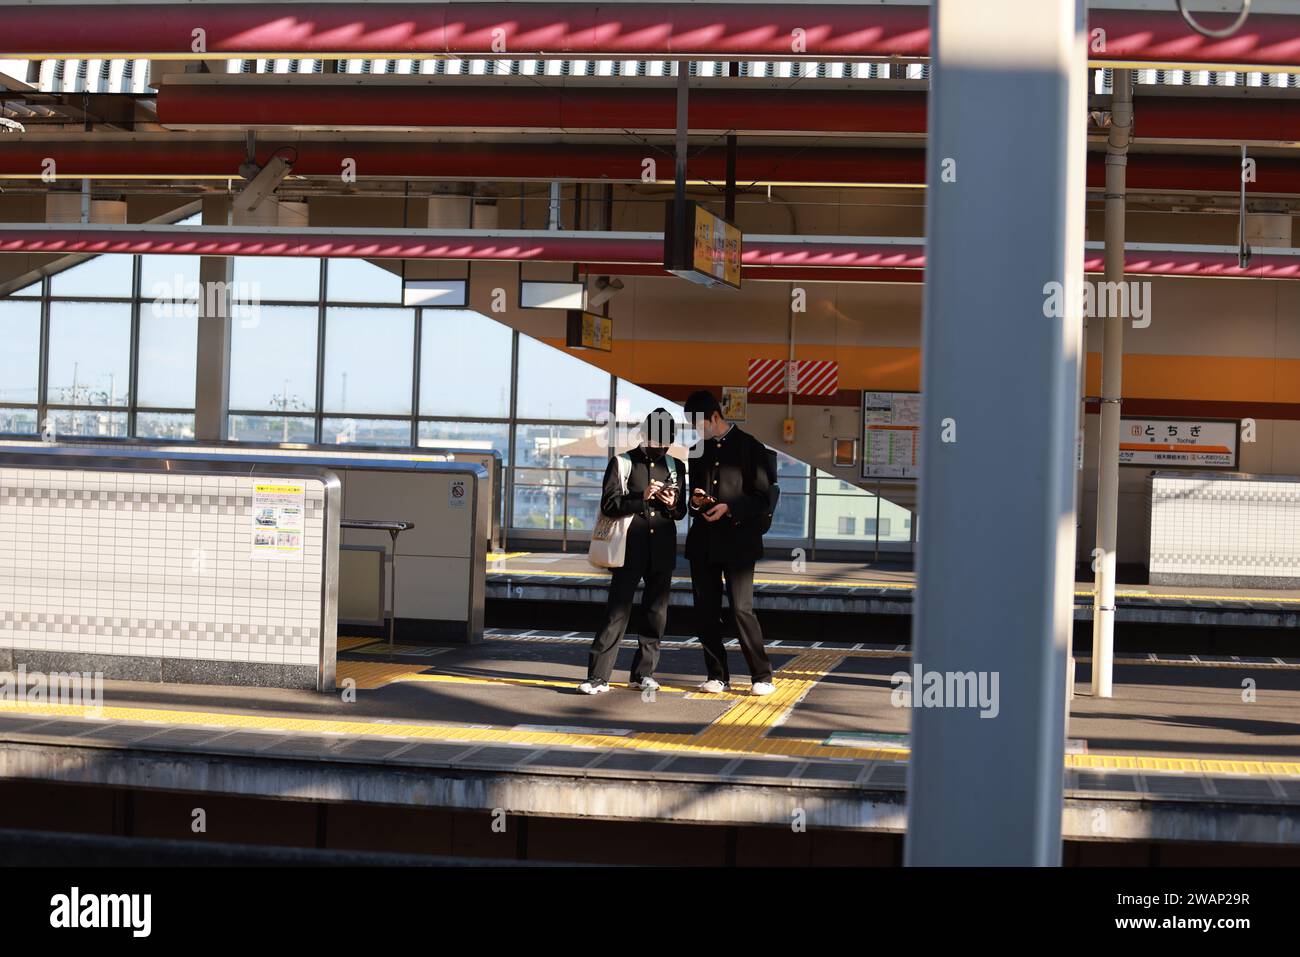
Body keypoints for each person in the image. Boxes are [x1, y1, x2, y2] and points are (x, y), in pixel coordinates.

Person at [579, 408, 688, 694]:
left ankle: (643, 673)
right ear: (644, 436)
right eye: (656, 441)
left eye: (666, 442)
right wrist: (643, 498)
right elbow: (609, 505)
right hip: (628, 548)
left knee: (656, 613)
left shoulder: (676, 466)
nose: (660, 448)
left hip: (662, 548)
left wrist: (670, 502)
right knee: (617, 611)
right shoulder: (622, 463)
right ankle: (598, 676)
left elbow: (680, 512)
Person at [683, 389, 776, 696]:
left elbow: (763, 498)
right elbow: (691, 498)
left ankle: (761, 676)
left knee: (741, 609)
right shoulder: (697, 451)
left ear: (714, 417)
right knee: (705, 609)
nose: (697, 431)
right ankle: (717, 675)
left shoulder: (751, 447)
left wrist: (730, 508)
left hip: (739, 541)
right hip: (704, 542)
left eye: (699, 424)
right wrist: (697, 501)